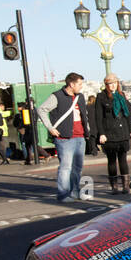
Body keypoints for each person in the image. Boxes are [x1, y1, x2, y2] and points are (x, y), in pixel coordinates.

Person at [37, 72, 92, 202]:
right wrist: (50, 128)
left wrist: (87, 131)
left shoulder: (80, 97)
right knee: (66, 167)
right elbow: (41, 109)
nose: (81, 86)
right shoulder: (57, 96)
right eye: (79, 84)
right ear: (71, 84)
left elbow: (84, 116)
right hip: (64, 138)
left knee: (77, 168)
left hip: (80, 136)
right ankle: (63, 194)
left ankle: (75, 192)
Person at [94, 73, 131, 194]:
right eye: (110, 84)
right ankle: (114, 187)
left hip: (123, 132)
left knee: (123, 160)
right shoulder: (101, 97)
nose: (112, 86)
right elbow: (98, 117)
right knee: (111, 161)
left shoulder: (122, 96)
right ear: (106, 85)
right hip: (109, 133)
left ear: (117, 84)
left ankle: (126, 186)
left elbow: (129, 116)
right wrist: (101, 133)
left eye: (114, 83)